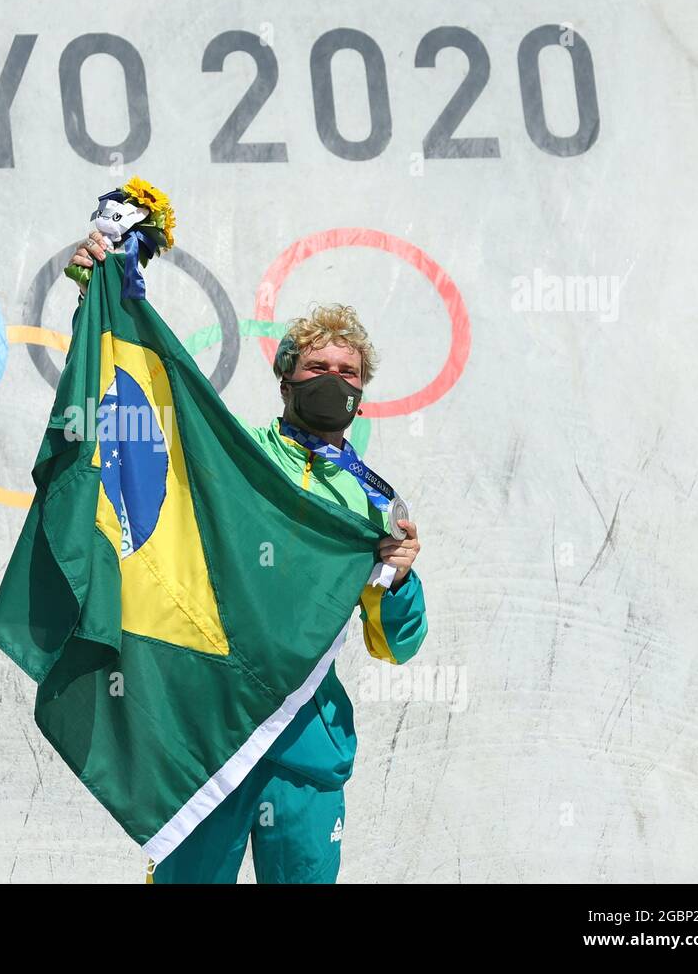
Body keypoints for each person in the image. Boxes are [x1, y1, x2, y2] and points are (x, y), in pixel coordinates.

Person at [68, 231, 428, 884]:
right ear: (286, 376)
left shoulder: (376, 500)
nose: (333, 381)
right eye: (318, 368)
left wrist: (400, 578)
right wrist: (101, 298)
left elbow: (396, 645)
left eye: (348, 372)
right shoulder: (233, 457)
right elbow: (142, 430)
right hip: (209, 739)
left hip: (305, 748)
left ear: (363, 390)